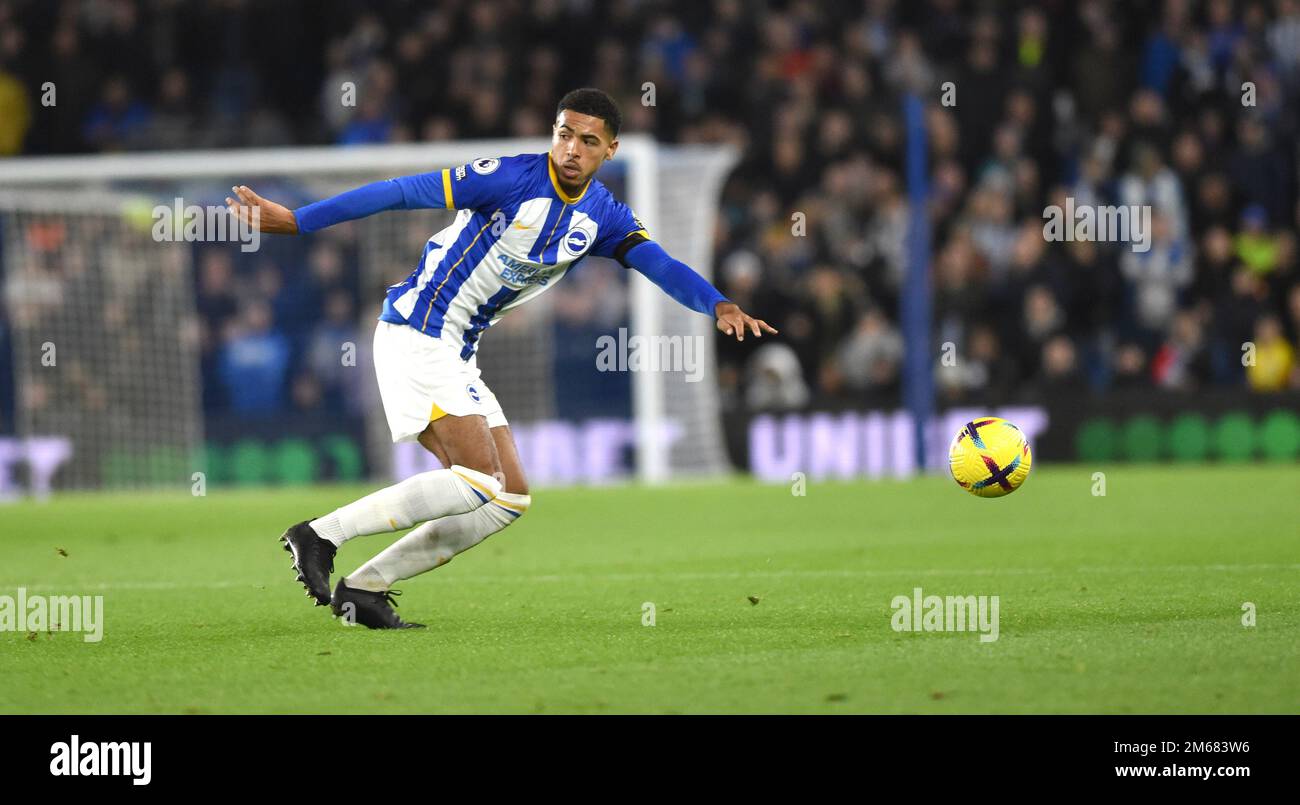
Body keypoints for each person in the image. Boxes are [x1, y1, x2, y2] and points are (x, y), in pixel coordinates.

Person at [225, 88, 775, 628]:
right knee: (478, 480)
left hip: (458, 350)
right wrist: (300, 221)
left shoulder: (603, 215)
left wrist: (717, 303)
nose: (572, 150)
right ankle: (321, 533)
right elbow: (399, 191)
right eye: (564, 135)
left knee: (507, 496)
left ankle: (366, 588)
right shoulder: (508, 177)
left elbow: (660, 265)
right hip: (418, 330)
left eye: (588, 141)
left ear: (610, 150)